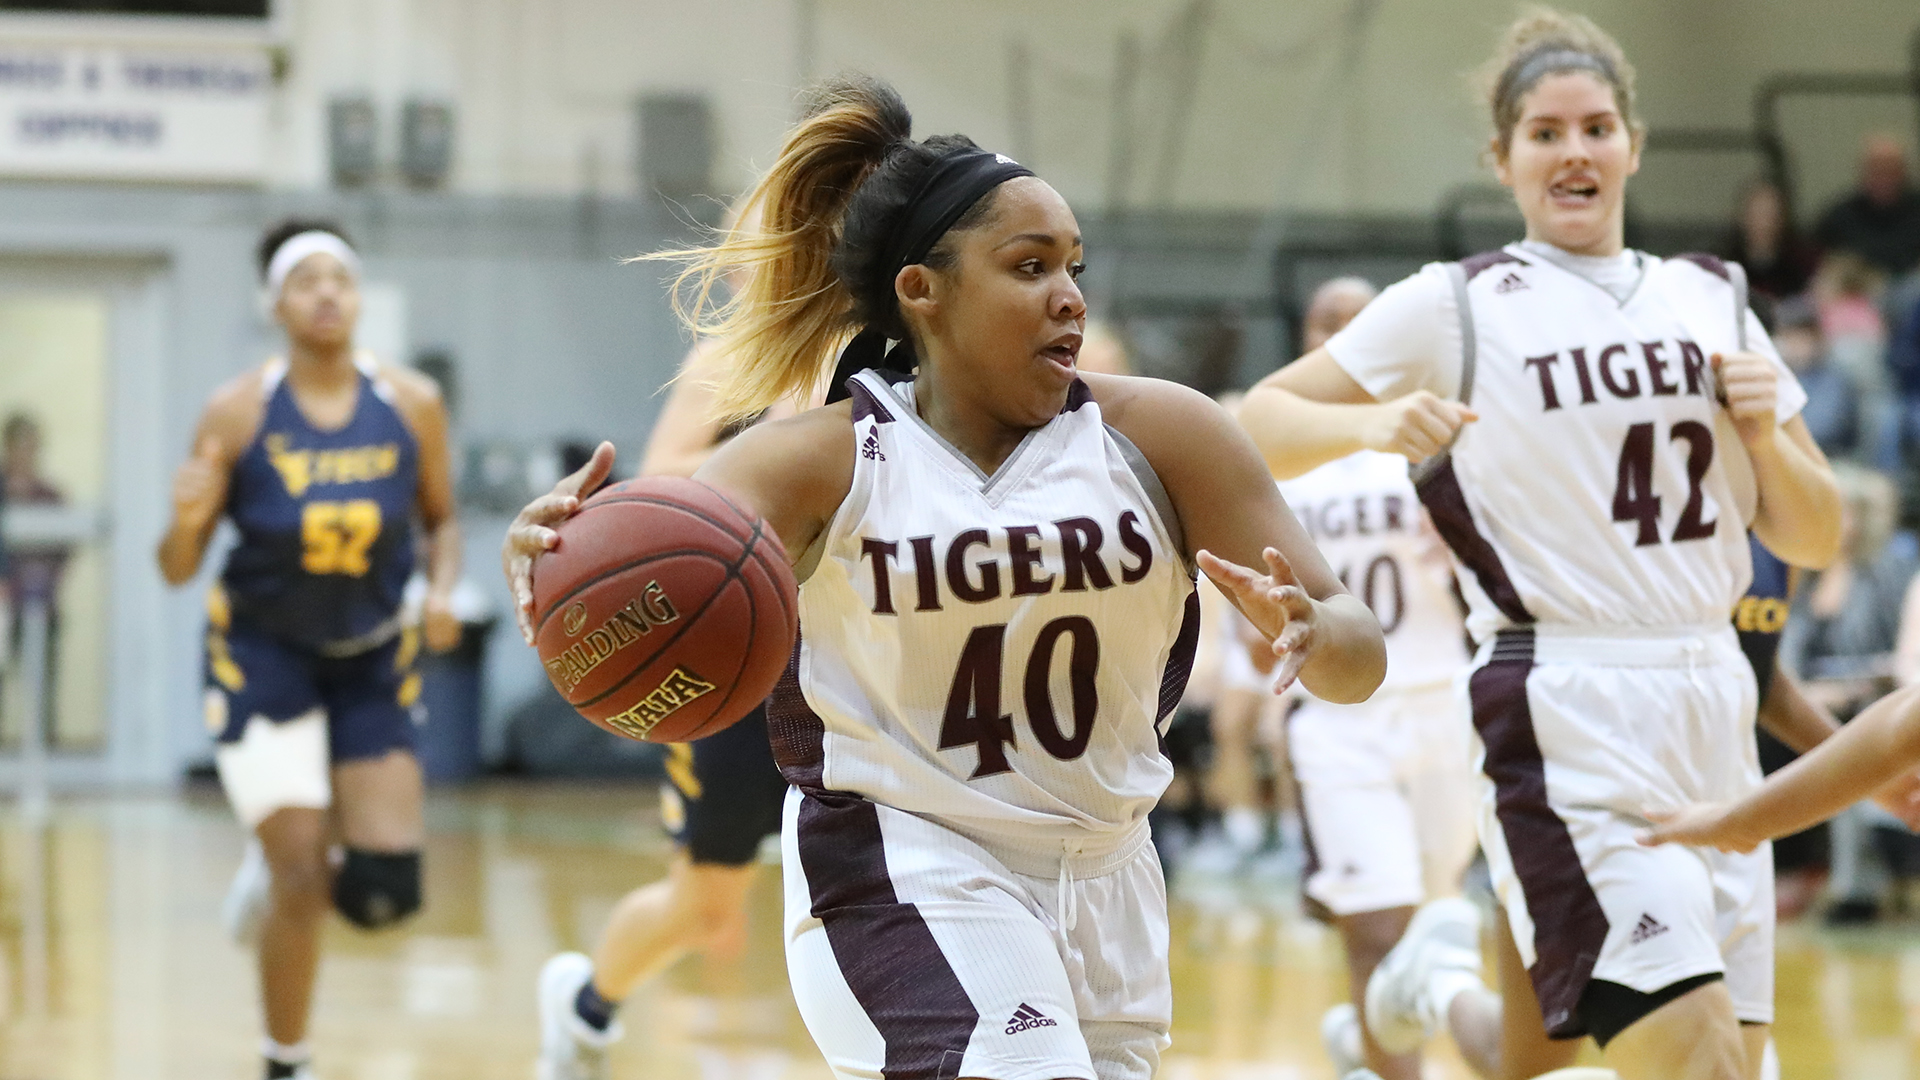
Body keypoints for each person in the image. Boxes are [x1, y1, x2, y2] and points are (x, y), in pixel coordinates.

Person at [504, 75, 1386, 1080]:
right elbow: (642, 582)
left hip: (1109, 874)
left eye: (1073, 266)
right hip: (901, 866)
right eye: (1028, 265)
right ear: (923, 290)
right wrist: (553, 563)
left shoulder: (1171, 436)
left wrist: (1325, 636)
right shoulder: (816, 460)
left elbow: (1357, 654)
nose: (1070, 295)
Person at [1235, 10, 1841, 1080]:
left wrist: (1762, 434)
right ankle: (1440, 981)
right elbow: (1257, 428)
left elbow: (1815, 528)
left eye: (1597, 128)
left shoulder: (1717, 297)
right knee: (1692, 1063)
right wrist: (1371, 426)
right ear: (1503, 159)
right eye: (1547, 133)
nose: (1575, 151)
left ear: (1633, 147)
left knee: (1671, 1065)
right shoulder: (1454, 305)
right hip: (1566, 696)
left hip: (1713, 697)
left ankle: (1443, 989)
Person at [157, 220, 461, 1080]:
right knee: (301, 878)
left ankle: (283, 842)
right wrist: (183, 525)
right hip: (263, 654)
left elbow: (441, 522)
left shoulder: (411, 404)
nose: (328, 294)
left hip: (370, 654)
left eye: (342, 278)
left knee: (380, 895)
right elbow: (176, 569)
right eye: (307, 281)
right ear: (275, 303)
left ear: (359, 296)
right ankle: (286, 1061)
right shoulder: (237, 411)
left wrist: (439, 592)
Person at [533, 334, 811, 1080]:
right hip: (743, 651)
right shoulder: (737, 357)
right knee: (708, 907)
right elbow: (661, 479)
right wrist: (791, 452)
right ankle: (587, 1005)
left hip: (863, 646)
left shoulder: (915, 336)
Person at [1279, 277, 1484, 1080]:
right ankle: (1395, 1068)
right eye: (1324, 320)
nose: (1339, 333)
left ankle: (1367, 1052)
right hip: (1338, 718)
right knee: (1376, 923)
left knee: (1438, 915)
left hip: (1444, 703)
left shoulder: (1437, 444)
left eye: (1356, 322)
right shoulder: (1278, 463)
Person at [2, 412, 71, 741]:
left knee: (42, 688)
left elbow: (64, 549)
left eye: (32, 446)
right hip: (4, 605)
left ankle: (48, 761)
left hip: (41, 606)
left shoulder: (50, 497)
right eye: (20, 445)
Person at [1814, 135, 1920, 278]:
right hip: (1858, 291)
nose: (1884, 178)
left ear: (1904, 172)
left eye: (1890, 169)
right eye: (1876, 170)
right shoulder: (1839, 217)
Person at [1718, 180, 1816, 302]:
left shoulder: (1804, 265)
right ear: (1742, 217)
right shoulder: (1721, 267)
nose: (1764, 223)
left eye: (1771, 214)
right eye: (1757, 213)